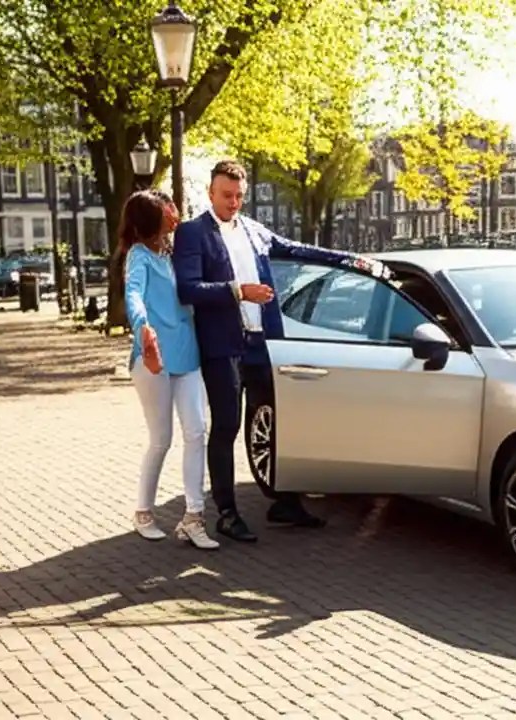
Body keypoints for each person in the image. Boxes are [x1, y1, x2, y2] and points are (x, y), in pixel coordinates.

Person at [171, 160, 387, 543]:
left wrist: (355, 262)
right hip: (223, 348)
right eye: (227, 196)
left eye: (239, 196)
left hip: (264, 342)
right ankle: (226, 512)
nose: (234, 203)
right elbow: (188, 289)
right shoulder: (192, 233)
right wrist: (239, 291)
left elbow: (301, 250)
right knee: (227, 428)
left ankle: (284, 502)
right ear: (210, 193)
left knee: (278, 424)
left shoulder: (254, 230)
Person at [122, 189, 219, 551]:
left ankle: (193, 517)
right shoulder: (139, 257)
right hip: (154, 359)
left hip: (187, 355)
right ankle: (143, 512)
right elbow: (132, 294)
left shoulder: (177, 252)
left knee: (196, 432)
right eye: (168, 206)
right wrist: (143, 327)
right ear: (153, 216)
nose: (175, 210)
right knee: (161, 439)